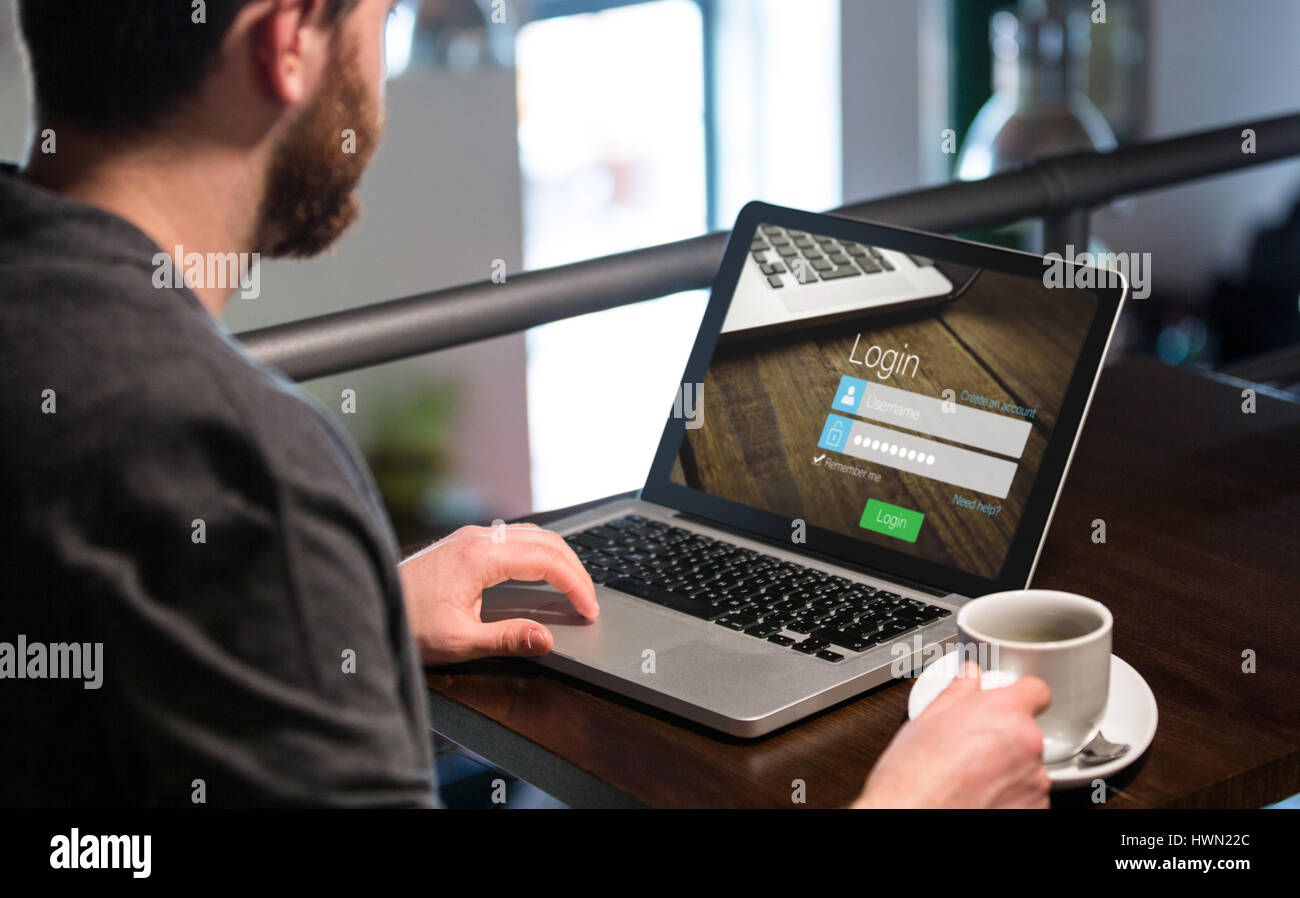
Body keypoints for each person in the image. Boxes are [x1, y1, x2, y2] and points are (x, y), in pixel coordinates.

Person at [0, 0, 1052, 808]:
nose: (384, 71)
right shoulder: (237, 462)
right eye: (385, 20)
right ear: (288, 42)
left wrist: (345, 617)